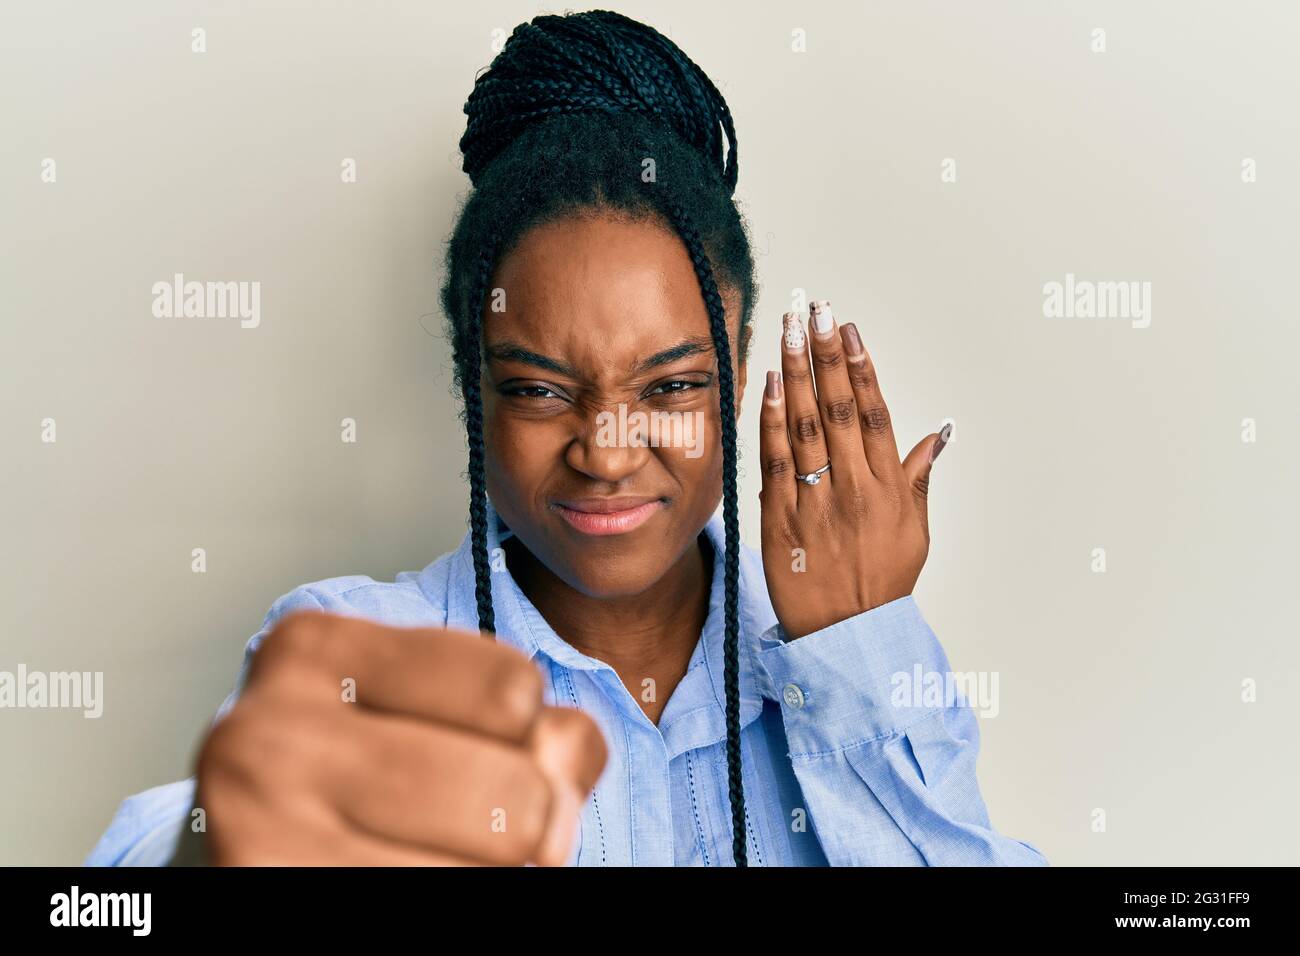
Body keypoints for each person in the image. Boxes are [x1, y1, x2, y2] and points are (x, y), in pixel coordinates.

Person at [87, 9, 1047, 867]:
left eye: (671, 384)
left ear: (739, 362)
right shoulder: (367, 649)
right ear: (475, 386)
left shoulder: (847, 661)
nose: (609, 450)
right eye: (541, 390)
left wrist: (856, 650)